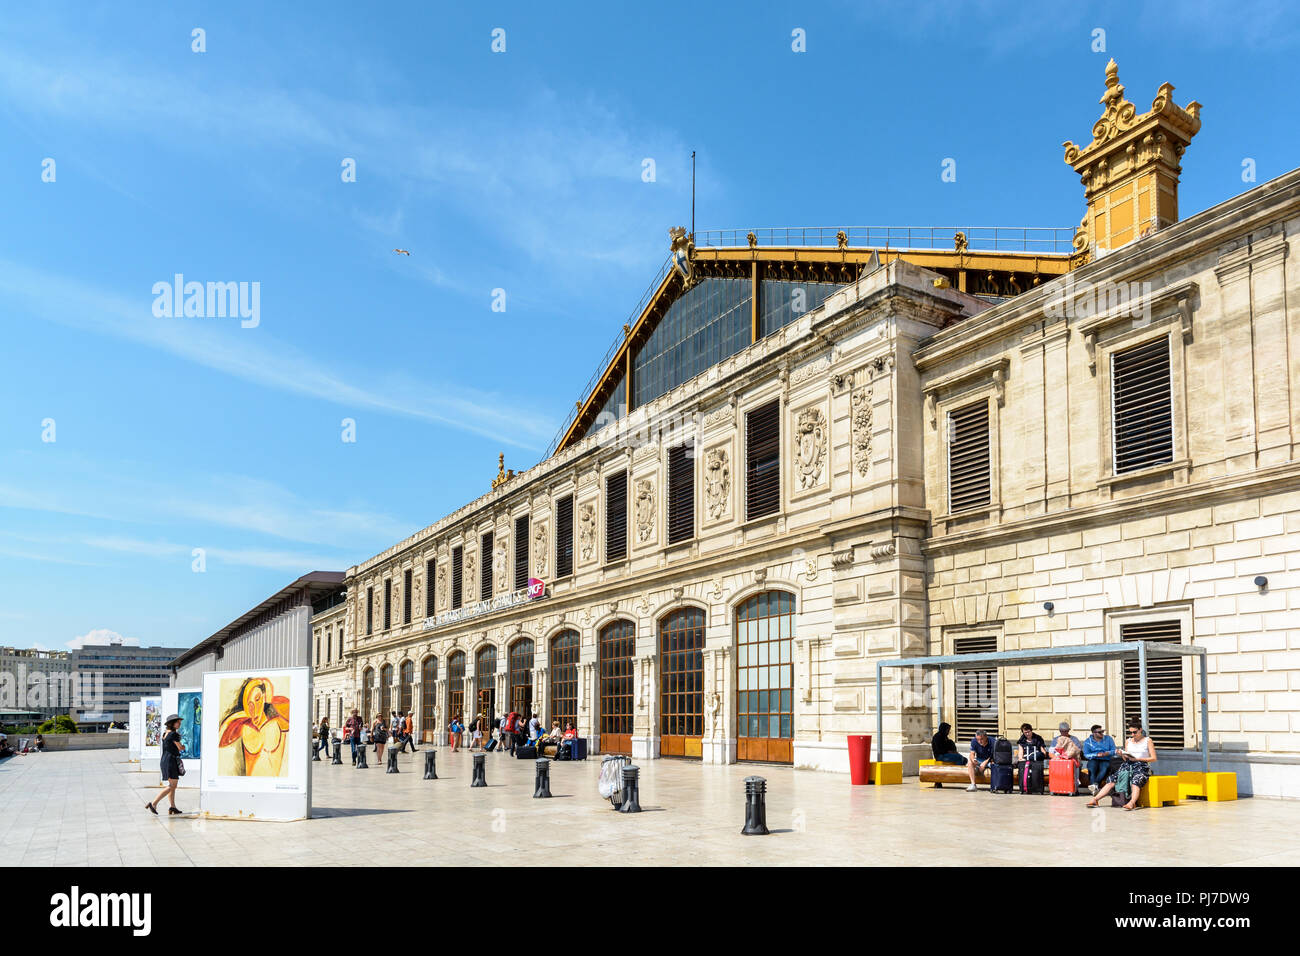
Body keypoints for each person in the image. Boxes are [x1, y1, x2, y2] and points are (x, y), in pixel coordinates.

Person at [1088, 720, 1157, 810]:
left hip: (1141, 766)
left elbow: (1153, 758)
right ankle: (1095, 799)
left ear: (1140, 730)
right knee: (1111, 780)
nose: (1132, 734)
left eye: (1134, 732)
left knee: (1135, 781)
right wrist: (1123, 755)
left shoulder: (1148, 741)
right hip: (1127, 764)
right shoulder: (1128, 741)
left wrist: (1137, 759)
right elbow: (1125, 758)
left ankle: (1132, 803)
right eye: (1130, 732)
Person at [146, 714, 185, 816]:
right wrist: (183, 746)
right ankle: (154, 803)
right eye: (178, 722)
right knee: (172, 785)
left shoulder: (165, 733)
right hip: (171, 761)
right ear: (172, 723)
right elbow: (180, 748)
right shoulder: (173, 734)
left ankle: (172, 807)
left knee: (172, 785)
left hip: (165, 760)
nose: (179, 724)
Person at [1082, 724, 1117, 794]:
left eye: (1102, 731)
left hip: (1105, 758)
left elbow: (1114, 750)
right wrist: (1096, 754)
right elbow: (1086, 754)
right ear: (1094, 733)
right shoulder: (1087, 742)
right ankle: (1094, 788)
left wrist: (1108, 753)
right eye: (1100, 732)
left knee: (1104, 768)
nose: (1102, 733)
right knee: (1092, 768)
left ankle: (1094, 785)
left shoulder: (1108, 739)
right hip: (1094, 759)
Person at [1050, 721, 1083, 791]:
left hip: (1073, 760)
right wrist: (1057, 758)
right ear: (1059, 731)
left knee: (1074, 766)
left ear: (1068, 730)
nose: (1064, 733)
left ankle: (1074, 788)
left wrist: (1067, 757)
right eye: (1062, 731)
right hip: (1059, 761)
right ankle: (1058, 788)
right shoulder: (1056, 739)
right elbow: (1051, 753)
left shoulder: (1074, 739)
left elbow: (1077, 751)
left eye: (1066, 731)